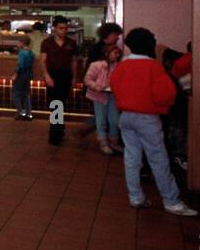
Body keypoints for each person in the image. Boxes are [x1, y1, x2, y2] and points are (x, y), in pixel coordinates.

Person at [110, 27, 196, 216]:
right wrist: (161, 108)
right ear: (149, 44)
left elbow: (114, 84)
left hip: (125, 116)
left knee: (132, 158)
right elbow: (167, 94)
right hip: (147, 118)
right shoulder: (154, 66)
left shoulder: (122, 65)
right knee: (158, 159)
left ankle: (135, 197)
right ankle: (171, 201)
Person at [41, 16, 79, 145]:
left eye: (65, 28)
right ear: (55, 28)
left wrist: (74, 77)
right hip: (52, 74)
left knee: (61, 104)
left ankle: (58, 131)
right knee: (55, 105)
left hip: (65, 75)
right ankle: (55, 134)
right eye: (61, 28)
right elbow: (43, 61)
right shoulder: (47, 43)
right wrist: (46, 75)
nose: (63, 31)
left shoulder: (71, 43)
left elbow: (74, 62)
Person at [84, 44, 123, 155]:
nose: (117, 55)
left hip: (113, 95)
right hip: (99, 95)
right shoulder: (97, 65)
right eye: (115, 53)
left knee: (114, 120)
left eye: (118, 53)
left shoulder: (118, 66)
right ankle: (104, 142)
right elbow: (87, 79)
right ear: (107, 53)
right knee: (101, 120)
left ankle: (113, 141)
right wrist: (97, 87)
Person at [12, 37, 35, 120]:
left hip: (21, 75)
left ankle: (20, 112)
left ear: (22, 43)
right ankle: (28, 114)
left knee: (15, 93)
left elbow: (20, 65)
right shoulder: (31, 52)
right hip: (28, 74)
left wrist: (15, 74)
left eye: (19, 42)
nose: (18, 44)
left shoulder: (22, 53)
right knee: (26, 94)